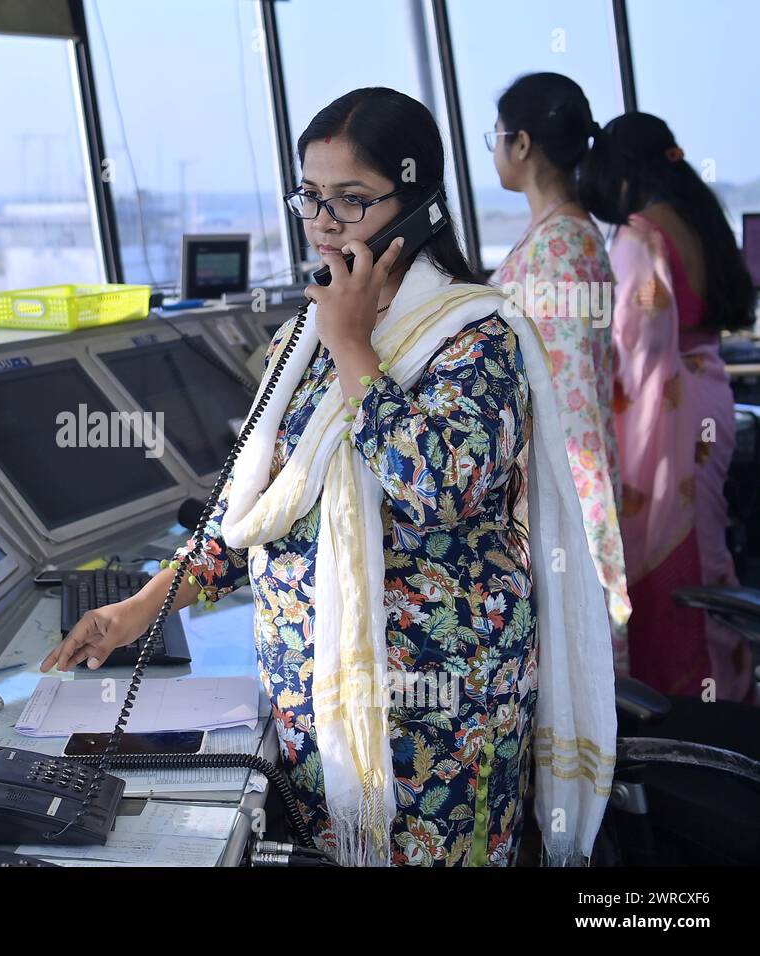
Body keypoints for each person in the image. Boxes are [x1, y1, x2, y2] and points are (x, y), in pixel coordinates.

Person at [42, 88, 614, 867]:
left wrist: (353, 346)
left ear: (418, 208)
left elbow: (439, 488)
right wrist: (144, 605)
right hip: (315, 705)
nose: (324, 222)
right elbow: (255, 506)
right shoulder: (303, 339)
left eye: (352, 201)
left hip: (439, 713)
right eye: (311, 197)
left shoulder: (475, 337)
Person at [577, 112, 758, 702]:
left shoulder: (638, 235)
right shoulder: (697, 219)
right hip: (710, 396)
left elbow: (636, 349)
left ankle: (685, 725)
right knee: (704, 555)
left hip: (672, 412)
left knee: (667, 572)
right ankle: (727, 700)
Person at [486, 72, 631, 673]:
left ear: (522, 145)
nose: (493, 149)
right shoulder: (566, 237)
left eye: (495, 136)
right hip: (567, 486)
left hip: (567, 491)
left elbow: (572, 406)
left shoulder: (560, 249)